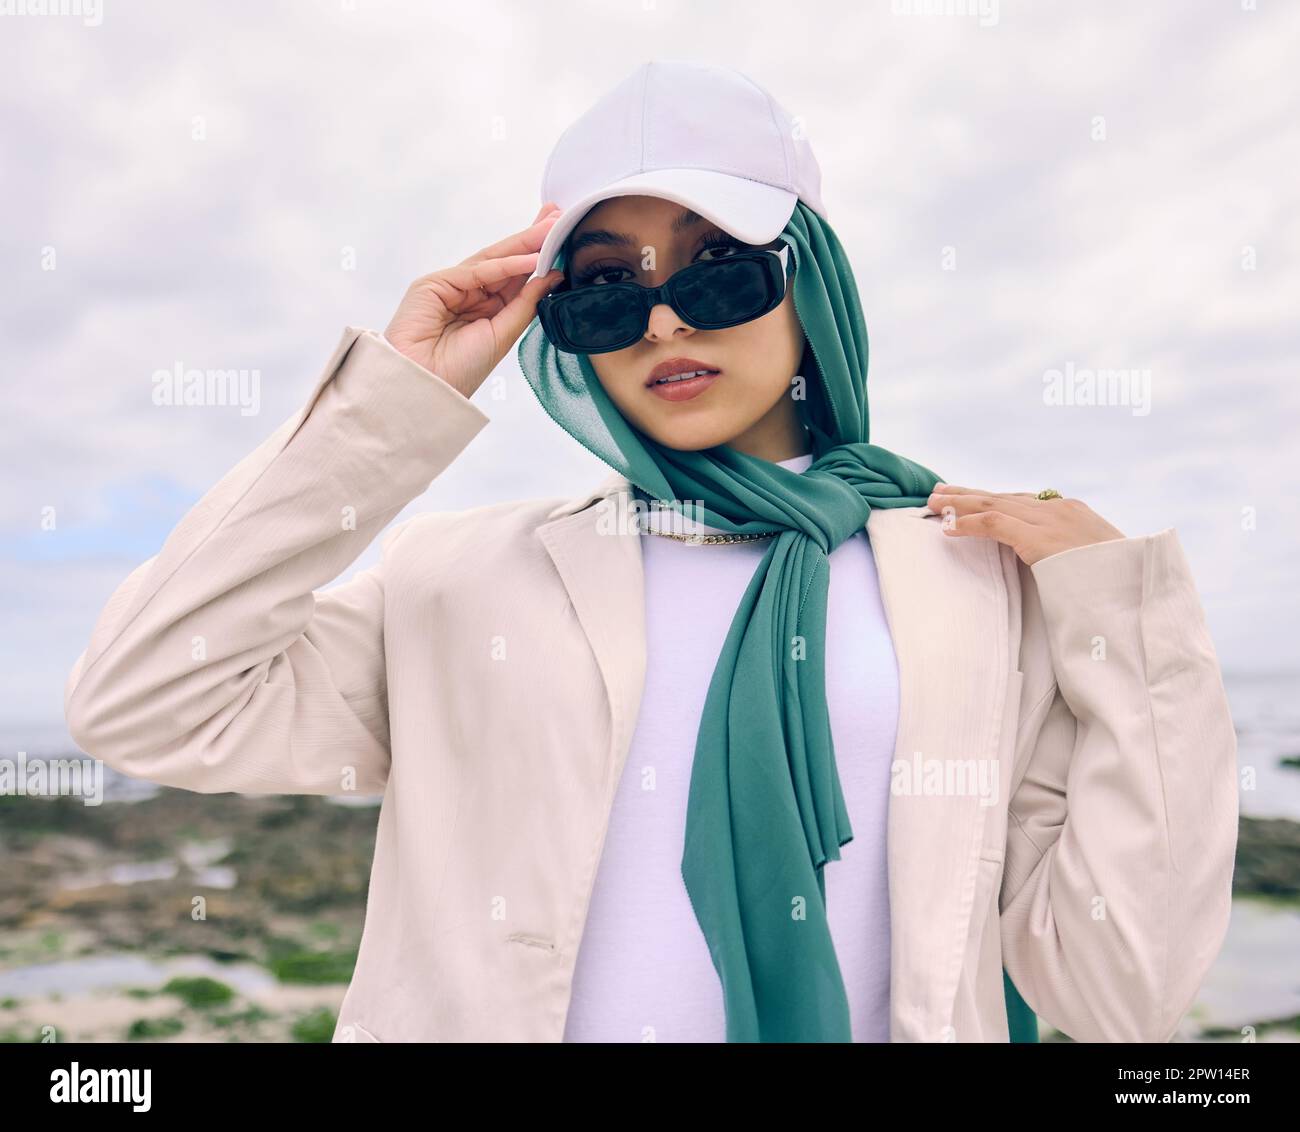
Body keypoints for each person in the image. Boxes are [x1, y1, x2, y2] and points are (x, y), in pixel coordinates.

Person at [63, 60, 1239, 1043]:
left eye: (720, 267)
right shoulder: (460, 578)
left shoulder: (983, 587)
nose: (665, 319)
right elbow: (148, 703)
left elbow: (1117, 988)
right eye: (604, 292)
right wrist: (391, 407)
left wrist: (1130, 632)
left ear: (812, 285)